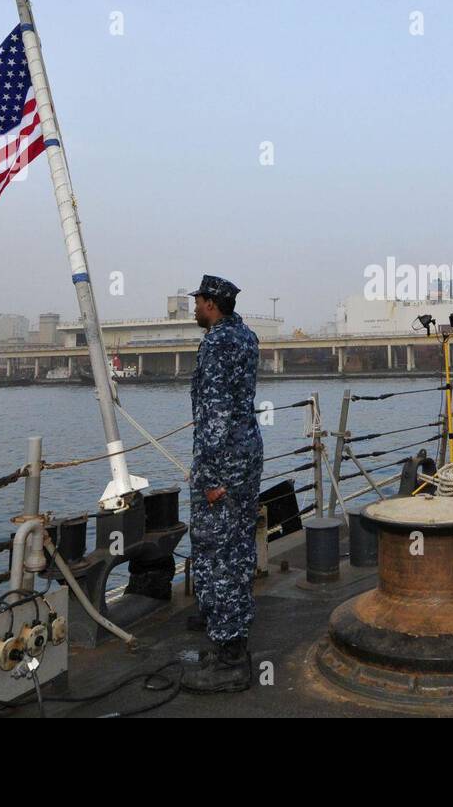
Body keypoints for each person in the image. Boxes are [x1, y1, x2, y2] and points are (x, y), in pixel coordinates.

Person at [181, 274, 264, 692]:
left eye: (197, 301)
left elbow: (215, 414)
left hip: (225, 465)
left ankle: (232, 659)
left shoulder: (216, 343)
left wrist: (209, 475)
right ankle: (224, 628)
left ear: (212, 303)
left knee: (220, 552)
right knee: (239, 546)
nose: (194, 307)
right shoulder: (245, 336)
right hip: (246, 457)